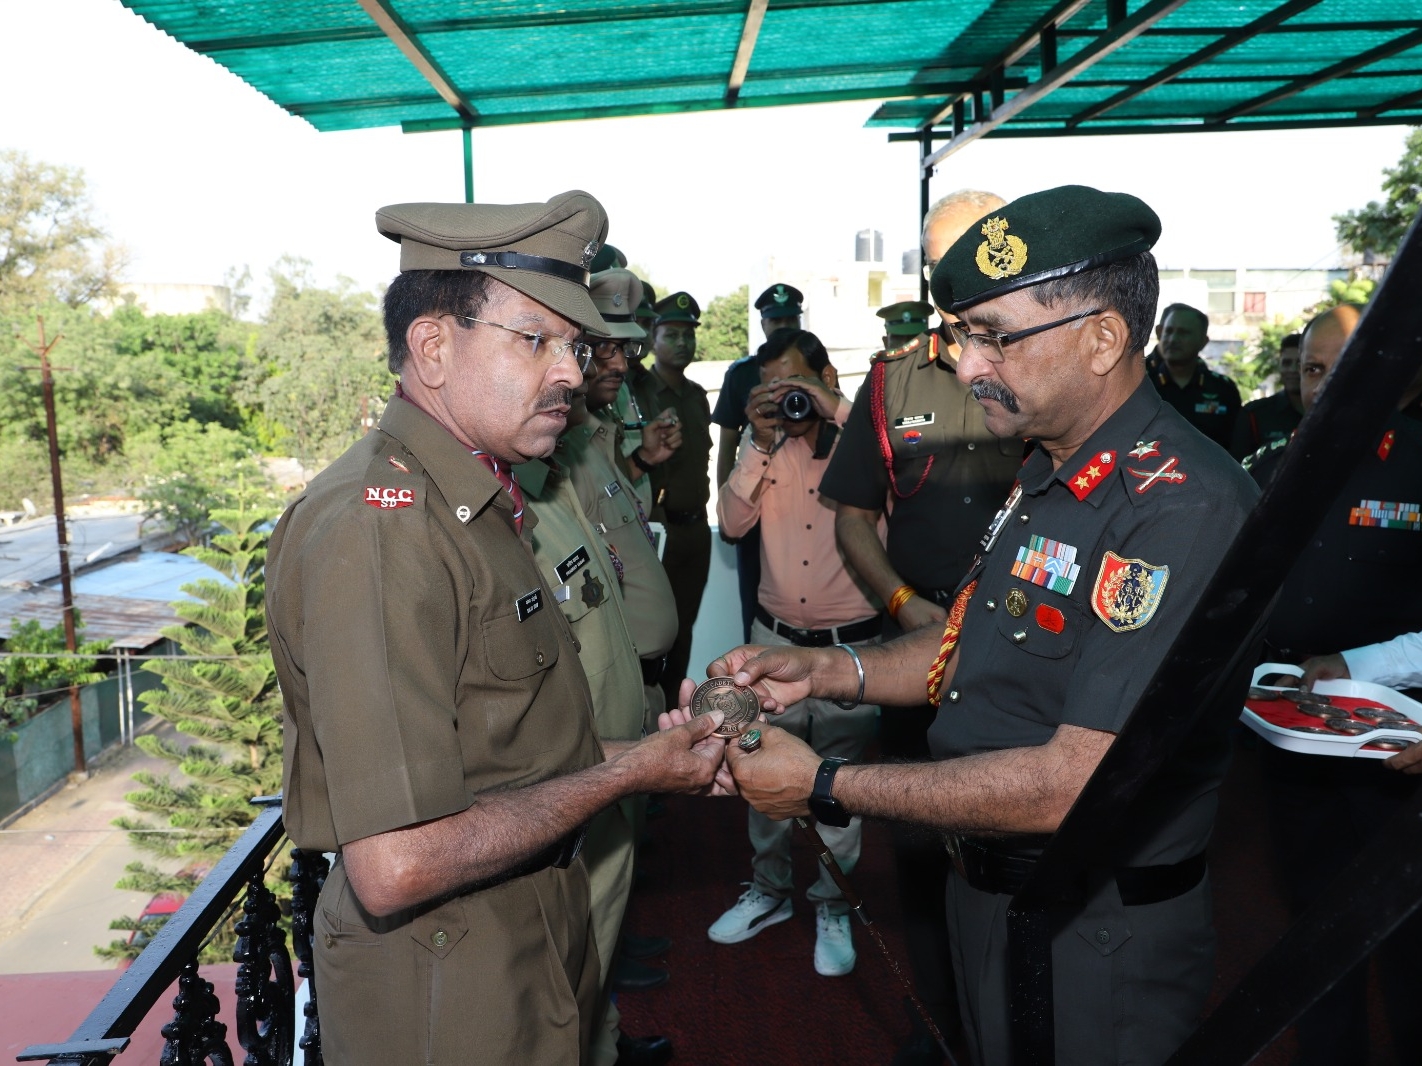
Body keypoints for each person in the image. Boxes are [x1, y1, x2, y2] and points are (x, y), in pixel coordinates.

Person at [693, 185, 1260, 1066]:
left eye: (996, 336)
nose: (966, 367)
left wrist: (826, 786)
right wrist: (827, 673)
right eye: (965, 337)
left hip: (1093, 926)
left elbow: (1071, 784)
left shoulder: (1178, 508)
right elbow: (965, 649)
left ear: (1103, 337)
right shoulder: (1047, 471)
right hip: (989, 891)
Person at [266, 192, 727, 1066]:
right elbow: (397, 862)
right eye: (536, 339)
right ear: (433, 346)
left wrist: (647, 756)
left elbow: (506, 745)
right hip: (447, 981)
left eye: (577, 345)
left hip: (524, 932)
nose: (570, 371)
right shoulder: (380, 526)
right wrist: (622, 776)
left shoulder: (477, 495)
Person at [819, 189, 1022, 1066]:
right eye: (954, 256)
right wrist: (904, 606)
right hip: (921, 650)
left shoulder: (1045, 368)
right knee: (921, 850)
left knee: (1022, 840)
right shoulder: (891, 383)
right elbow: (853, 517)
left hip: (1031, 649)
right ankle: (940, 1024)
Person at [1247, 303, 1422, 1066]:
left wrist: (1364, 666)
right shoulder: (1271, 467)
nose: (1325, 389)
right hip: (1294, 740)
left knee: (1409, 933)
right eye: (1313, 370)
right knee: (1313, 925)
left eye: (1343, 369)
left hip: (1400, 744)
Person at [709, 328, 879, 978]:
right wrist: (756, 439)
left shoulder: (862, 447)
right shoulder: (766, 445)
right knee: (760, 775)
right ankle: (770, 891)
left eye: (795, 384)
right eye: (772, 387)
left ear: (826, 376)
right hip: (774, 644)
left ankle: (833, 903)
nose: (787, 399)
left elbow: (887, 445)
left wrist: (830, 405)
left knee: (835, 790)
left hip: (847, 652)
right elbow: (730, 523)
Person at [711, 283, 806, 641]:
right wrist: (726, 504)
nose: (782, 327)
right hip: (757, 500)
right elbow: (727, 446)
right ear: (763, 324)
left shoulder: (816, 366)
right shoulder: (743, 374)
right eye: (775, 320)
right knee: (753, 601)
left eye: (789, 319)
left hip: (806, 500)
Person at [644, 291, 714, 707]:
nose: (683, 343)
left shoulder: (696, 394)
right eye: (672, 334)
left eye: (689, 335)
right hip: (659, 530)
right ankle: (651, 716)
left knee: (685, 628)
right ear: (653, 337)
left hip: (695, 529)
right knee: (656, 632)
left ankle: (674, 708)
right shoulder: (640, 393)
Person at [1146, 302, 1241, 449]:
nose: (1173, 339)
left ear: (1203, 342)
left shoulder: (1223, 390)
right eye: (1169, 331)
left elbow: (1235, 449)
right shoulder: (1139, 382)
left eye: (1183, 333)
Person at [1229, 331, 1303, 458]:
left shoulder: (1331, 411)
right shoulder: (1254, 415)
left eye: (1300, 364)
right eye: (1286, 363)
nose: (1292, 370)